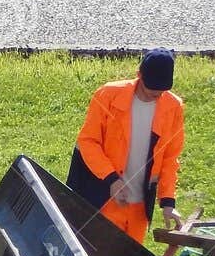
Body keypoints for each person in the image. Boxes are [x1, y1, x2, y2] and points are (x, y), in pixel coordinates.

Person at [68, 49, 186, 244]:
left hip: (138, 210)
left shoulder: (173, 107)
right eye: (151, 90)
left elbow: (170, 158)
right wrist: (112, 180)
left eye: (161, 92)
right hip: (102, 200)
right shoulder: (108, 95)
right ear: (139, 75)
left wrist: (168, 202)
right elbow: (88, 142)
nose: (155, 96)